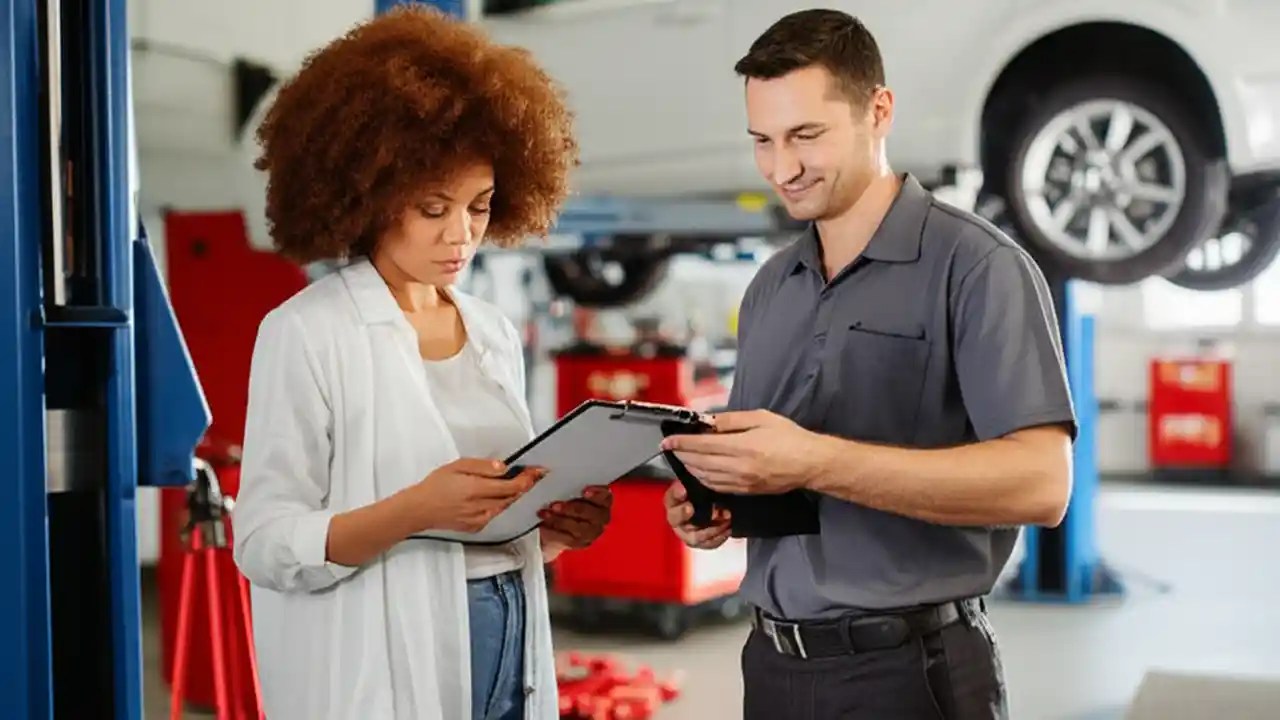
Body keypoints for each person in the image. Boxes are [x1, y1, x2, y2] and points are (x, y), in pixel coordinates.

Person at [661, 9, 1077, 720]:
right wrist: (720, 502)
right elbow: (784, 473)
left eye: (805, 136)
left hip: (909, 676)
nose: (780, 168)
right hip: (771, 670)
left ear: (877, 111)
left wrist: (813, 461)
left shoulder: (977, 268)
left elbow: (1042, 484)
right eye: (762, 140)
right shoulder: (771, 288)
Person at [230, 8, 610, 720]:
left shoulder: (492, 331)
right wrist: (412, 511)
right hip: (375, 660)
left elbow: (484, 526)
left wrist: (545, 531)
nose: (461, 234)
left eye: (480, 206)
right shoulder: (308, 333)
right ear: (370, 195)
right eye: (433, 207)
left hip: (508, 625)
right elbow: (263, 542)